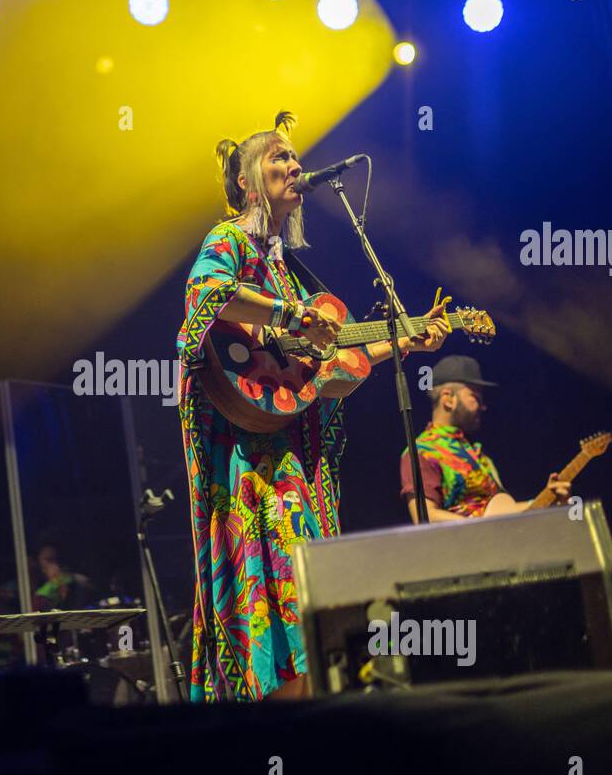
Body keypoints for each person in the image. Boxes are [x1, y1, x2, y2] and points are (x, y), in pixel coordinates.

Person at [177, 112, 450, 702]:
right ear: (248, 181)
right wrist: (286, 315)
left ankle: (308, 705)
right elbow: (208, 299)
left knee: (306, 578)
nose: (295, 164)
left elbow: (332, 369)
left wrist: (405, 339)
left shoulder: (292, 275)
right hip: (246, 456)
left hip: (291, 456)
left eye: (295, 155)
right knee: (267, 567)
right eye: (278, 156)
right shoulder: (226, 241)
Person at [399, 355, 570, 522]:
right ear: (448, 399)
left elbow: (499, 516)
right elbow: (426, 517)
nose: (483, 406)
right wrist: (481, 528)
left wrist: (545, 501)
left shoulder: (477, 455)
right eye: (475, 397)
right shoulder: (422, 451)